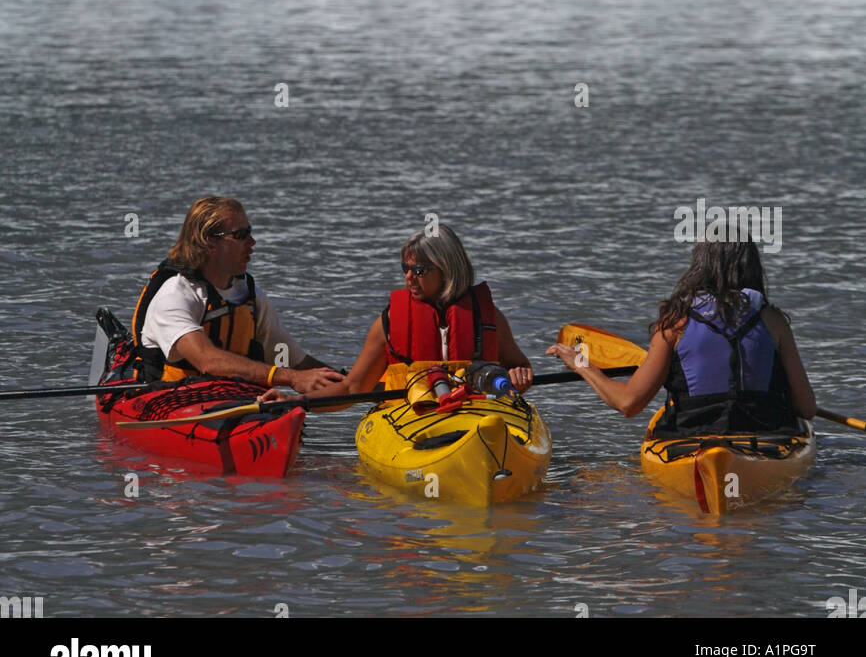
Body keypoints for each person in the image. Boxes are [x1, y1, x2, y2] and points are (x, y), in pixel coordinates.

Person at [546, 238, 816, 432]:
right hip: (762, 435)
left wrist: (581, 364)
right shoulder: (773, 320)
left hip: (695, 436)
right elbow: (806, 408)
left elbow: (628, 403)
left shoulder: (676, 322)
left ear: (700, 266)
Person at [131, 196, 345, 396]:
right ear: (209, 241)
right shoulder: (175, 296)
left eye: (250, 233)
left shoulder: (252, 299)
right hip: (171, 399)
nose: (252, 242)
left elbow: (292, 360)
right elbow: (208, 360)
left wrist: (352, 383)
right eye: (240, 235)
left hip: (231, 400)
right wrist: (290, 378)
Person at [339, 223, 534, 394]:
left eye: (419, 270)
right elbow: (351, 388)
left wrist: (519, 376)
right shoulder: (388, 324)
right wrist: (308, 399)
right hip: (412, 418)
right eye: (405, 268)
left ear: (447, 269)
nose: (409, 277)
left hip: (478, 415)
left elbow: (518, 365)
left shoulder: (489, 319)